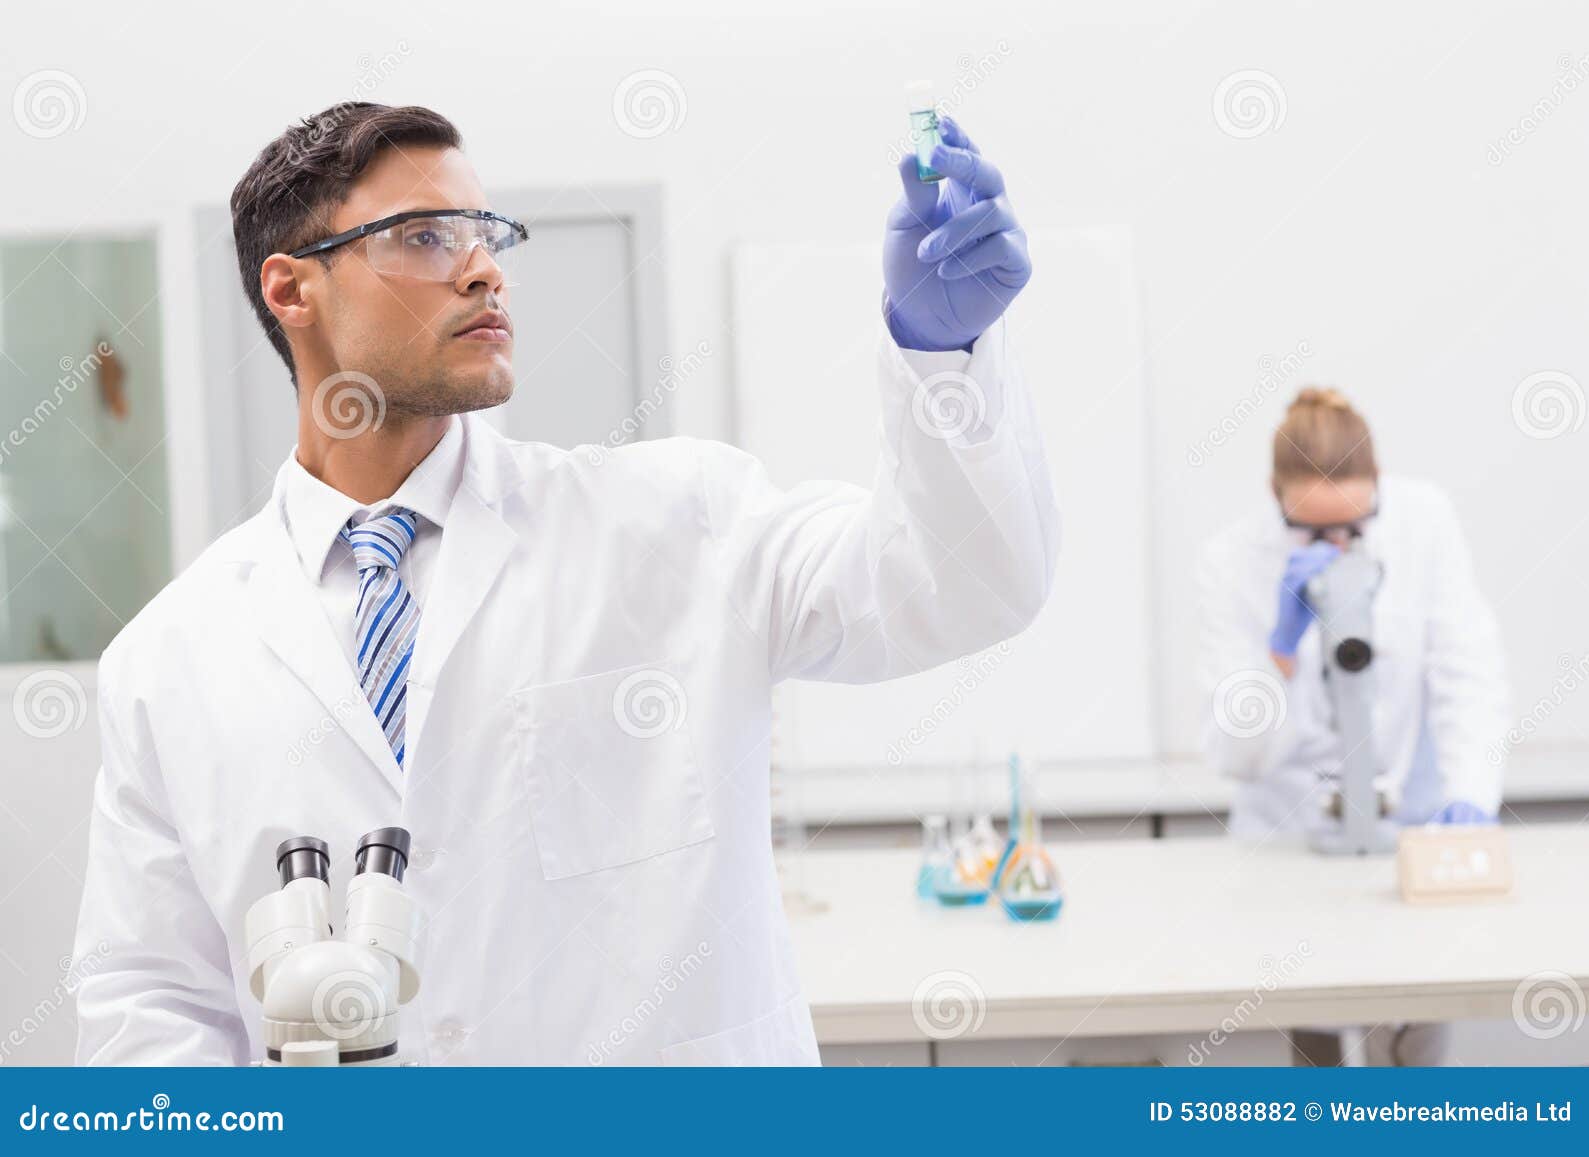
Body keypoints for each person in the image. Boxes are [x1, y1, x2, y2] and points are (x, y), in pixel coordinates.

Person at [70, 103, 1058, 1065]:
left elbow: (959, 585)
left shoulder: (680, 521)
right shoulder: (167, 660)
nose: (482, 267)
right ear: (292, 290)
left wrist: (943, 357)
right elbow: (148, 1003)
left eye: (485, 232)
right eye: (421, 235)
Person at [1195, 386, 1508, 1064]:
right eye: (1313, 530)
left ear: (1379, 489)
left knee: (1414, 1054)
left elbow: (1467, 669)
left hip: (1408, 828)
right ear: (1277, 496)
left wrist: (1472, 795)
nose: (1338, 546)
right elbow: (1237, 756)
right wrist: (1279, 650)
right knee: (1316, 1053)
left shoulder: (1425, 520)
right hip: (1288, 839)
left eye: (1355, 527)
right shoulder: (1232, 560)